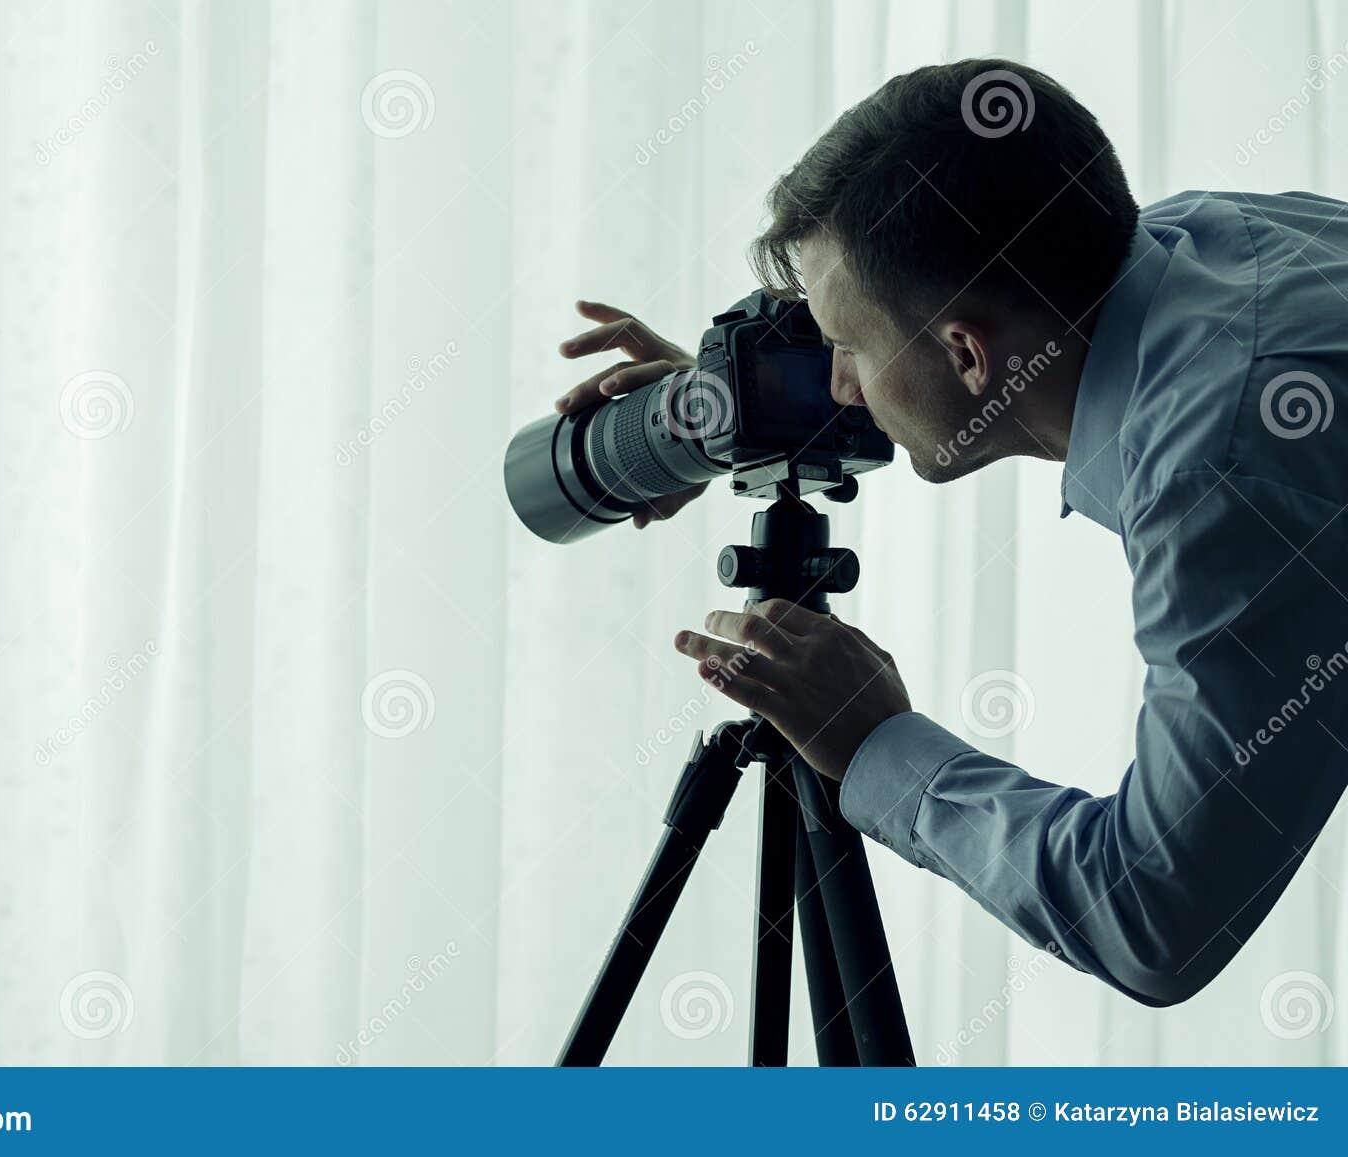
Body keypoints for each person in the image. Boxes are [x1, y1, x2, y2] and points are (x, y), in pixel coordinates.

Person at [553, 58, 1348, 1007]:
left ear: (967, 354)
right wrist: (741, 402)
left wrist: (875, 742)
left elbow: (1156, 918)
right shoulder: (1212, 239)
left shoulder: (1220, 474)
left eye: (842, 349)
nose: (839, 385)